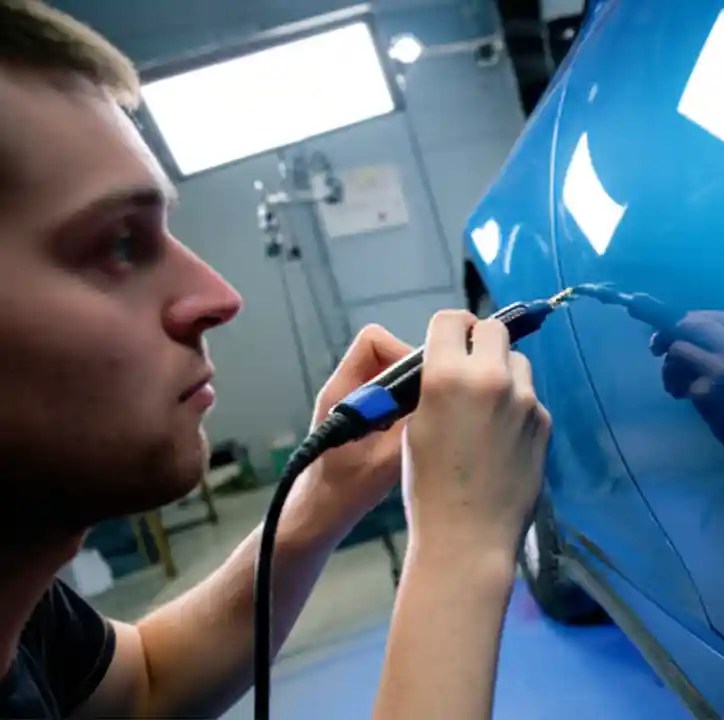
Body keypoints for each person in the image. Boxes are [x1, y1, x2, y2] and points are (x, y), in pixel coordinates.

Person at [0, 2, 551, 718]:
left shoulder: (24, 612)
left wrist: (321, 498)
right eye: (119, 244)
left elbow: (147, 686)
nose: (217, 297)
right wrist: (459, 547)